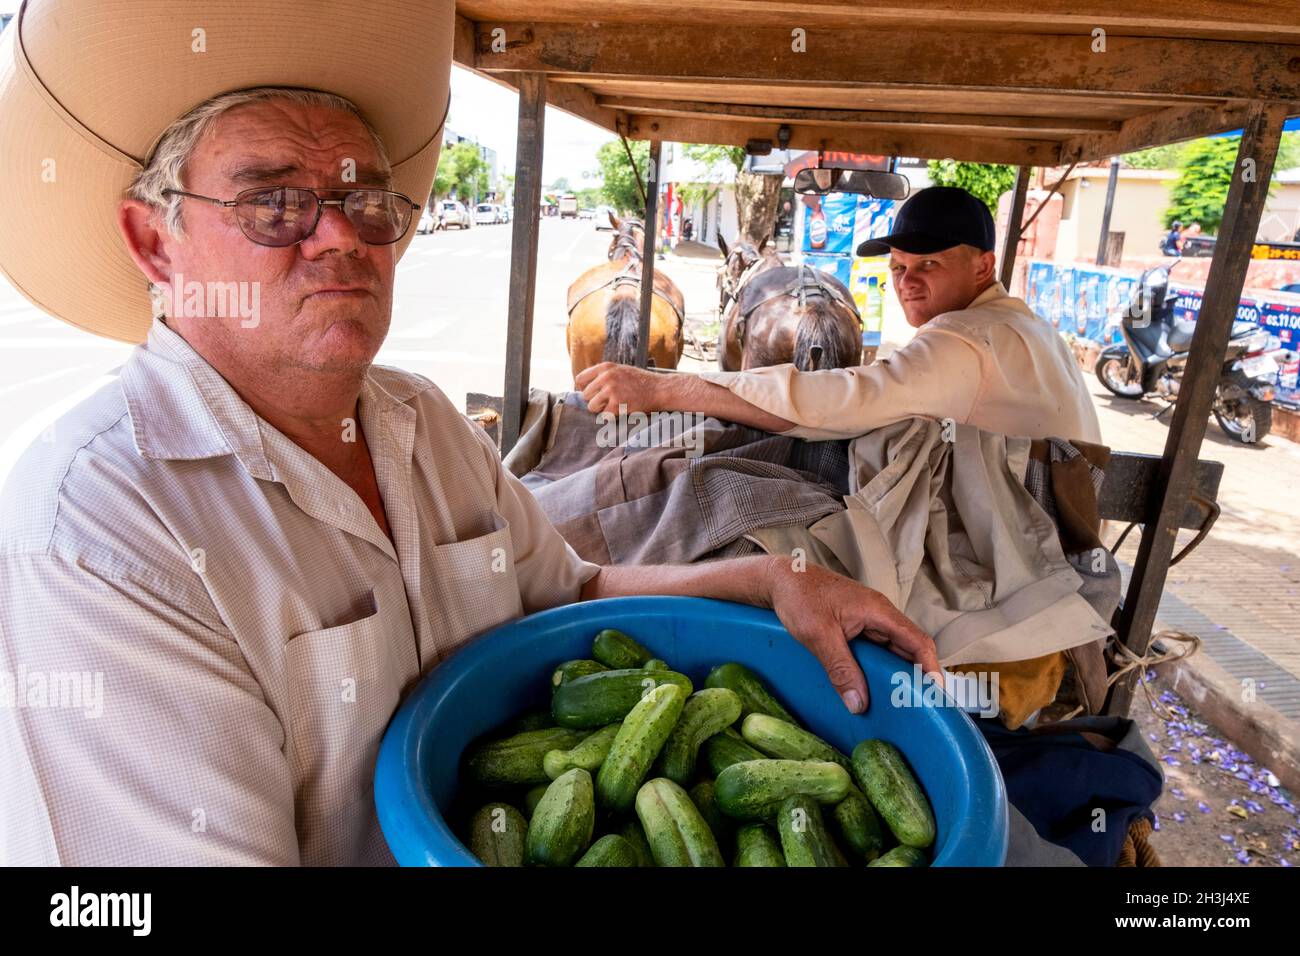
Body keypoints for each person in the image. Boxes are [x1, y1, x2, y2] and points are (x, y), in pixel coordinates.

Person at [0, 0, 937, 866]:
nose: (341, 238)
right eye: (274, 201)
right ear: (156, 244)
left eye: (366, 199)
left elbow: (571, 594)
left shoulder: (427, 424)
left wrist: (777, 576)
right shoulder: (97, 530)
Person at [579, 185, 1102, 445]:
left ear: (984, 266)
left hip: (1016, 572)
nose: (906, 281)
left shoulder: (964, 342)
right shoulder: (1031, 328)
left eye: (929, 264)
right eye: (898, 267)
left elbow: (827, 402)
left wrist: (661, 388)